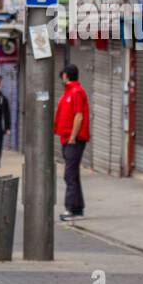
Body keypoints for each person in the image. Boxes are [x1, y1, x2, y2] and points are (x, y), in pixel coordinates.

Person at [54, 63, 90, 221]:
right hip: (67, 138)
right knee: (73, 174)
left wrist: (73, 137)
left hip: (73, 140)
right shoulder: (69, 92)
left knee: (69, 175)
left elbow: (79, 116)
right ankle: (77, 207)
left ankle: (71, 208)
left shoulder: (75, 92)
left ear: (65, 76)